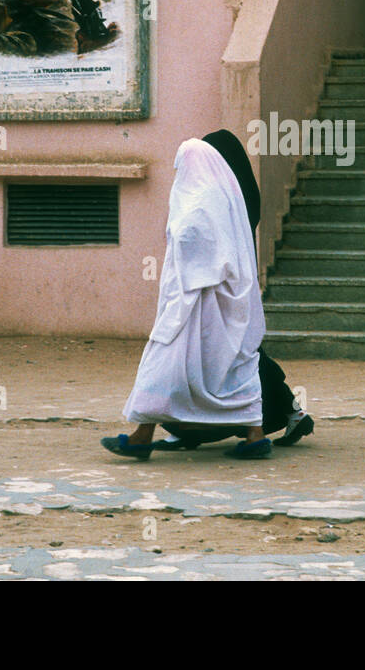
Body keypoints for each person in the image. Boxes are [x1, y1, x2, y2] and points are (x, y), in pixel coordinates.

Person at [102, 137, 272, 461]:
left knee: (161, 363)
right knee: (237, 367)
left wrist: (180, 237)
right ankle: (255, 435)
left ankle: (141, 436)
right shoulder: (224, 195)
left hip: (196, 302)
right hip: (225, 301)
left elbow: (198, 246)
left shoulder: (201, 199)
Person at [157, 130, 313, 450]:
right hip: (212, 289)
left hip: (222, 289)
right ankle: (188, 429)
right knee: (214, 357)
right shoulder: (219, 193)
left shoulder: (228, 197)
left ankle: (283, 412)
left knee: (236, 357)